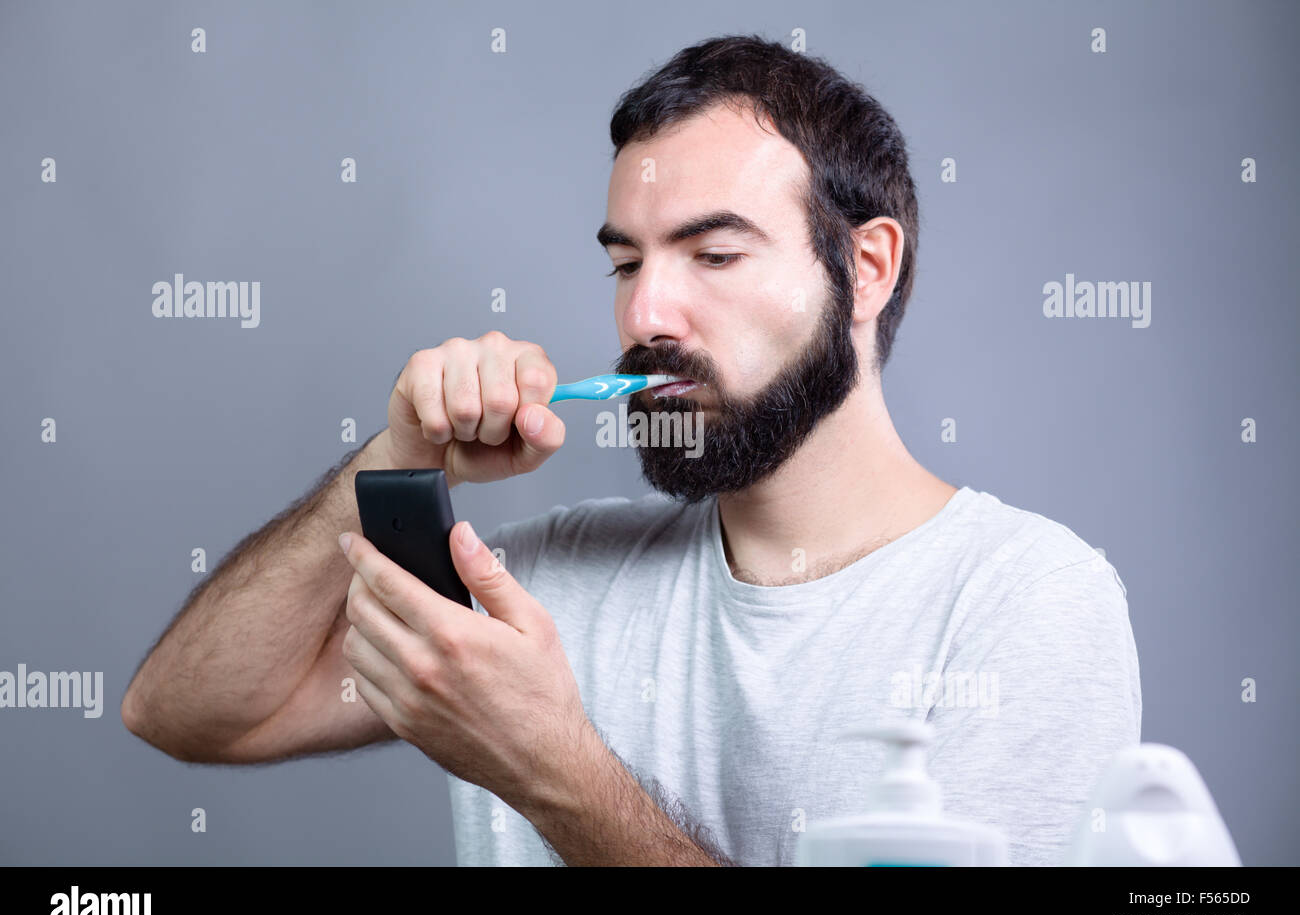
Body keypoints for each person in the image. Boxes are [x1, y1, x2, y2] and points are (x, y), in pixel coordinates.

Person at [122, 34, 1140, 867]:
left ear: (864, 268)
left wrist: (548, 767)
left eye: (714, 254)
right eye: (626, 262)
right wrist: (390, 460)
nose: (646, 310)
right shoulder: (550, 578)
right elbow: (184, 709)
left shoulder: (1024, 604)